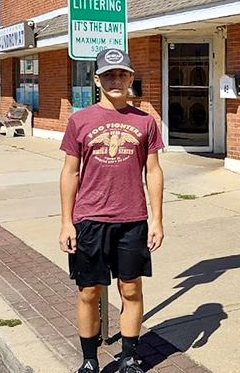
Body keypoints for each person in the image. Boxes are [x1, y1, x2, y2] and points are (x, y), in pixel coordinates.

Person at [59, 48, 165, 373]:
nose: (115, 80)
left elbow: (154, 171)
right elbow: (69, 173)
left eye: (121, 74)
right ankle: (90, 361)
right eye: (108, 74)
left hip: (132, 220)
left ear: (131, 78)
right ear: (97, 79)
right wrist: (66, 222)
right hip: (89, 220)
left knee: (131, 289)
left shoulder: (145, 122)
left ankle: (130, 358)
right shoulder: (80, 120)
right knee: (89, 291)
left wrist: (157, 219)